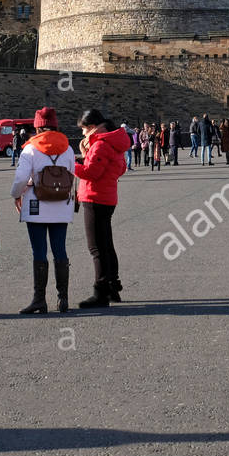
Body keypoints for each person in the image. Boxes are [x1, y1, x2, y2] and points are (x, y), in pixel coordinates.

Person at [11, 107, 76, 314]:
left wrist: (16, 193)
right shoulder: (67, 148)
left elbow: (21, 178)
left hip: (36, 204)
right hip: (61, 204)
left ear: (37, 127)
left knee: (39, 251)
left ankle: (39, 299)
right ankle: (63, 299)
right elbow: (73, 174)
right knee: (60, 250)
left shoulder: (30, 149)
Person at [73, 109, 130, 308]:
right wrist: (85, 158)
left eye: (83, 129)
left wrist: (71, 164)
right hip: (107, 197)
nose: (82, 134)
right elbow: (119, 168)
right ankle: (113, 285)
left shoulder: (100, 144)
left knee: (96, 247)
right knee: (106, 245)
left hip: (94, 197)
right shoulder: (113, 143)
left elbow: (92, 172)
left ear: (92, 127)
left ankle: (101, 292)